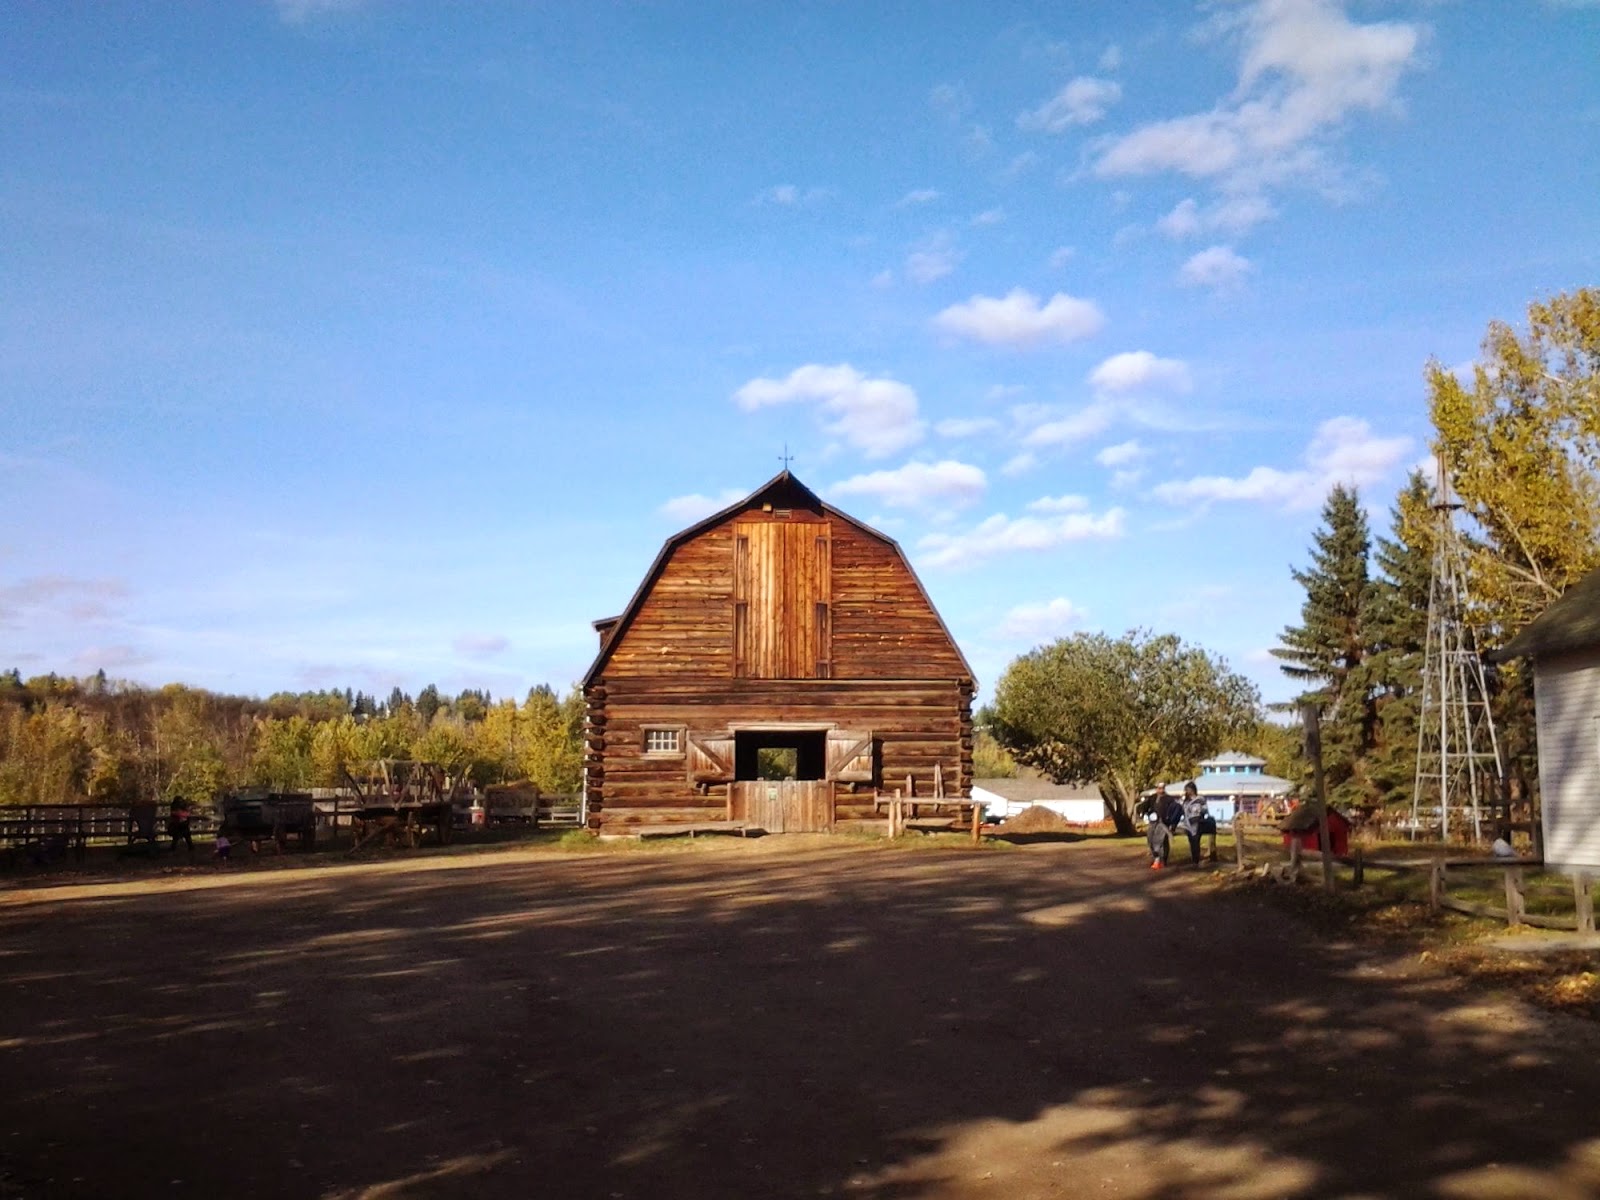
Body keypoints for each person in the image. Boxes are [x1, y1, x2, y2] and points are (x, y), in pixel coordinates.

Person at [1147, 785, 1181, 869]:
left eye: (1162, 788)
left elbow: (1176, 810)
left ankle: (1161, 860)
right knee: (1151, 840)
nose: (1160, 789)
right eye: (1159, 788)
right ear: (1156, 788)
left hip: (1164, 823)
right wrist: (1145, 813)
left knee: (1161, 841)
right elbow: (1145, 807)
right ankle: (1156, 858)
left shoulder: (1169, 799)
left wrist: (1172, 824)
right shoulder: (1152, 798)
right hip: (1153, 823)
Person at [1180, 781, 1209, 866]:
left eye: (1188, 789)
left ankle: (1196, 860)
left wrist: (1199, 812)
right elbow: (1183, 811)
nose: (1187, 791)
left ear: (1192, 790)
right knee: (1191, 842)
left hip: (1197, 823)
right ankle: (1193, 859)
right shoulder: (1185, 801)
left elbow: (1205, 810)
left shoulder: (1200, 799)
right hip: (1188, 824)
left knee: (1196, 841)